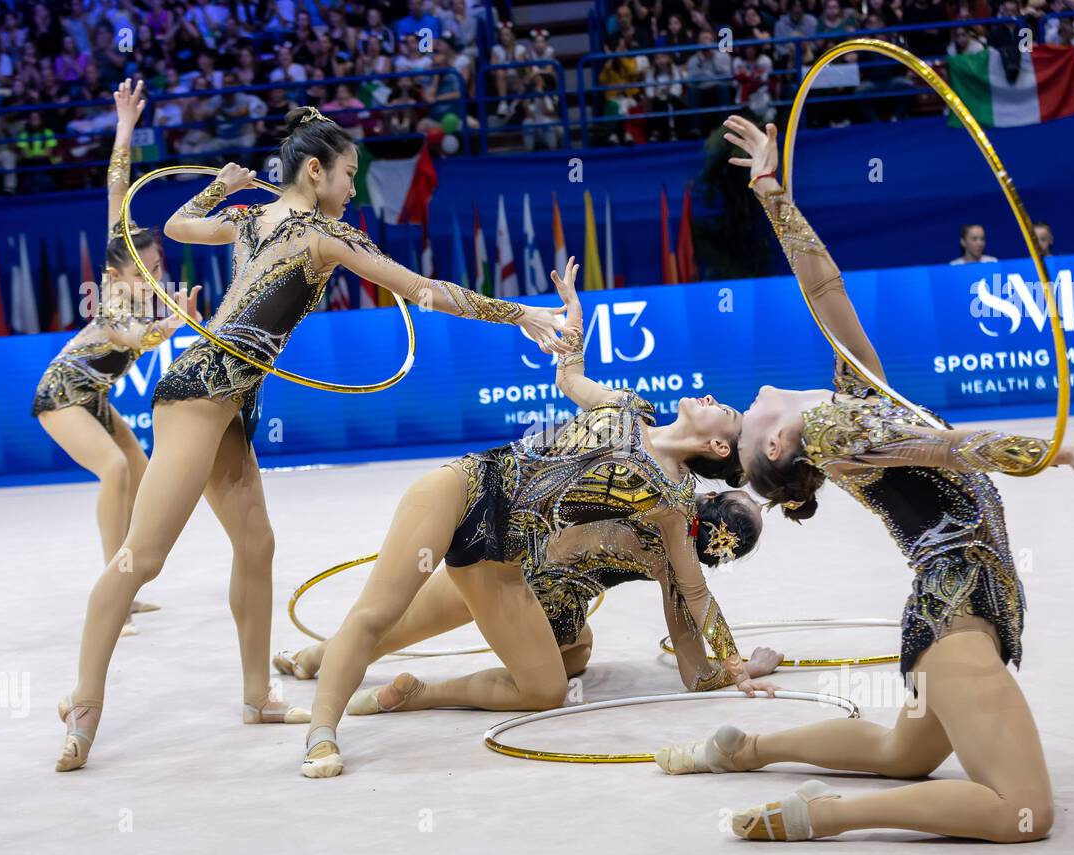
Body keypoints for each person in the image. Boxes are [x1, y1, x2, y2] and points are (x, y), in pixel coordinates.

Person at [656, 116, 1074, 844]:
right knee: (1023, 812)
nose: (741, 397)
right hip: (955, 604)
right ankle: (826, 815)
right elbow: (949, 449)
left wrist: (772, 194)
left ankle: (747, 749)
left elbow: (824, 287)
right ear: (773, 441)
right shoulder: (834, 432)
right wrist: (1060, 452)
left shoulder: (848, 402)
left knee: (904, 753)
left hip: (967, 592)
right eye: (739, 419)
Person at [52, 107, 570, 772]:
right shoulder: (323, 236)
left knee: (256, 544)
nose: (354, 187)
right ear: (317, 170)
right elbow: (424, 290)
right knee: (140, 558)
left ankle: (257, 696)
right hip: (199, 393)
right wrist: (519, 312)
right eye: (350, 174)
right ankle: (86, 707)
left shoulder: (248, 219)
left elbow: (180, 225)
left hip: (231, 403)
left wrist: (223, 188)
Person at [300, 257, 776, 778]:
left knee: (547, 690)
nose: (710, 397)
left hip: (504, 556)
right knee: (377, 615)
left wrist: (733, 665)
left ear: (713, 444)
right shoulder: (631, 406)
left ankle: (416, 691)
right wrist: (574, 317)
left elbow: (695, 591)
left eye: (722, 411)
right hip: (466, 487)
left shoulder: (674, 501)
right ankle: (322, 732)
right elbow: (571, 379)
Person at [273, 494, 779, 706]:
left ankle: (317, 656)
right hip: (545, 612)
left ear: (708, 499)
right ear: (717, 555)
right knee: (572, 654)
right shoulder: (676, 565)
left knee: (395, 625)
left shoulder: (655, 488)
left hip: (500, 557)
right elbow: (695, 673)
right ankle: (423, 694)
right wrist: (745, 668)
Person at [32, 80, 189, 639]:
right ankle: (112, 590)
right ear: (123, 268)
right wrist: (162, 329)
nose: (157, 267)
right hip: (60, 393)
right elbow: (123, 337)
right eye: (149, 262)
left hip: (91, 397)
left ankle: (127, 585)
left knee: (141, 471)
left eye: (160, 259)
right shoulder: (115, 290)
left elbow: (118, 187)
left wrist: (126, 127)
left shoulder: (140, 284)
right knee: (117, 469)